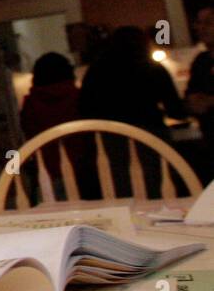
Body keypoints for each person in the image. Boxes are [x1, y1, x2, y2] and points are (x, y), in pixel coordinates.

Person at [79, 26, 188, 196]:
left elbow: (84, 109)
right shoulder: (151, 66)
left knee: (121, 188)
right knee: (158, 187)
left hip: (110, 140)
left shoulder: (97, 68)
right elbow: (175, 109)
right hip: (150, 135)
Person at [19, 51, 86, 199]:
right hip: (82, 168)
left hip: (47, 170)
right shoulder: (78, 97)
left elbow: (29, 133)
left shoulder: (30, 104)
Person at [183, 4, 214, 182]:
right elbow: (188, 96)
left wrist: (210, 101)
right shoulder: (201, 61)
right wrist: (191, 102)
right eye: (198, 23)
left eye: (208, 23)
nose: (200, 28)